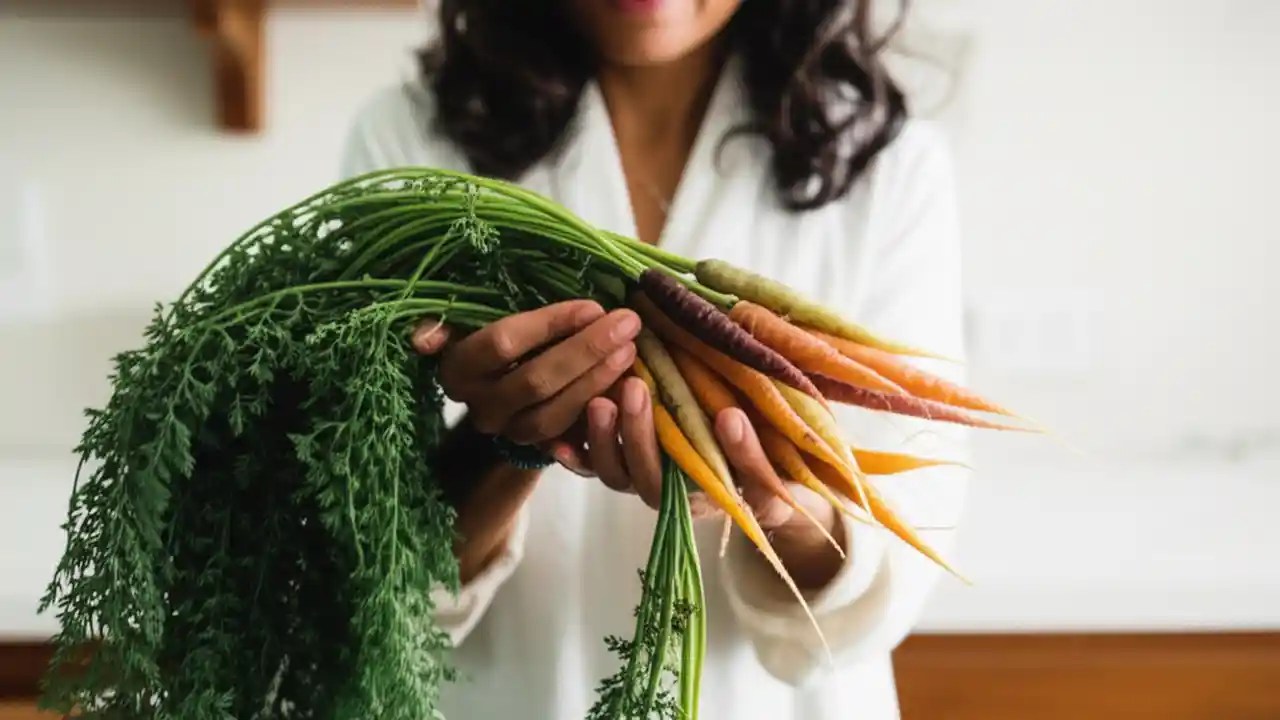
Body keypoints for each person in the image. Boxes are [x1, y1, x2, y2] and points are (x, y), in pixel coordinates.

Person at [339, 1, 970, 717]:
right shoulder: (407, 139)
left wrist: (781, 508)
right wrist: (500, 442)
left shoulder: (888, 163)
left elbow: (884, 589)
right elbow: (372, 581)